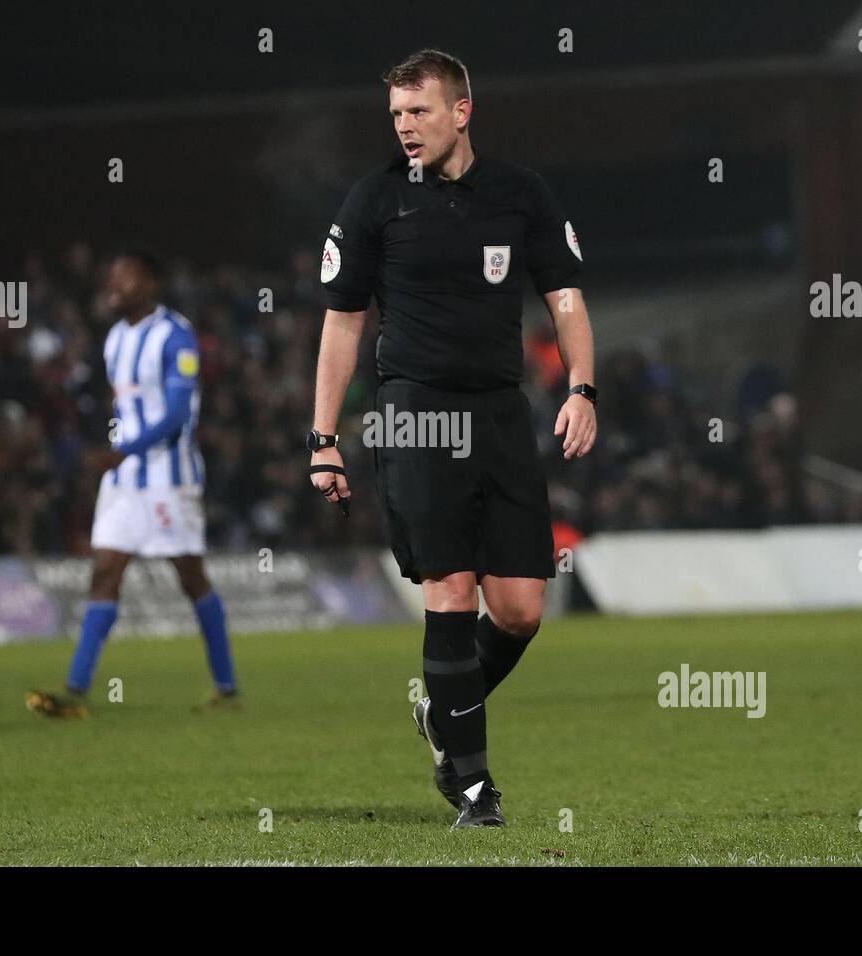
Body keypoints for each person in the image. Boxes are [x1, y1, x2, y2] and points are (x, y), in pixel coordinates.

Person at [309, 50, 597, 827]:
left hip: (499, 413)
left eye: (420, 112)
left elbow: (564, 295)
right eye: (397, 114)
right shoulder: (375, 200)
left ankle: (443, 713)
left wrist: (581, 387)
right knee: (451, 586)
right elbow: (341, 324)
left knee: (520, 611)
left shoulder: (519, 194)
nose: (405, 127)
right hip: (414, 411)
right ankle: (473, 786)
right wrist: (322, 438)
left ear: (462, 111)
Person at [27, 248, 236, 717]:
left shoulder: (175, 335)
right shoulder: (115, 339)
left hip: (169, 477)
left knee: (192, 577)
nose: (114, 285)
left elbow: (179, 414)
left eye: (126, 277)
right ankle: (75, 693)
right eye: (112, 277)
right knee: (105, 570)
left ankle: (226, 689)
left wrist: (120, 451)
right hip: (124, 479)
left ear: (150, 285)